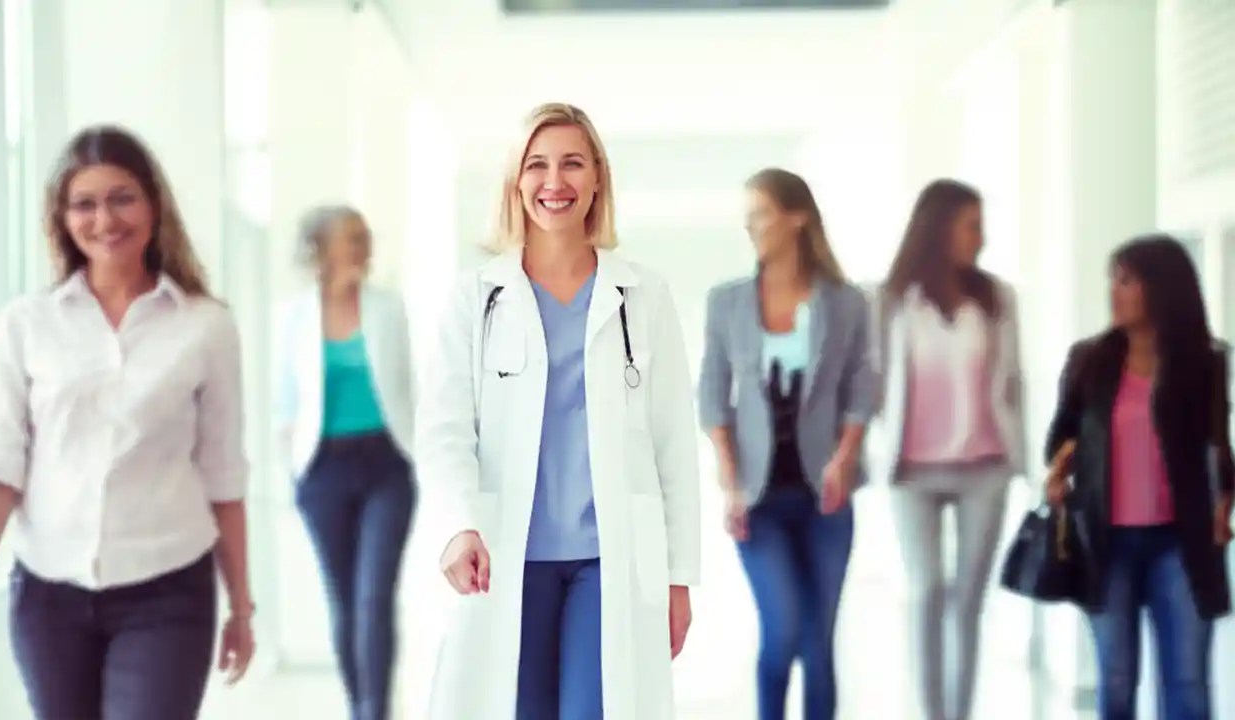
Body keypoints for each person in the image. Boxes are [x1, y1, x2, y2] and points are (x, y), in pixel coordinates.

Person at [0, 126, 255, 719]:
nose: (105, 220)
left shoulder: (205, 326)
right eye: (84, 204)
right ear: (62, 218)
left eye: (122, 198)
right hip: (48, 595)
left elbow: (224, 475)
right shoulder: (26, 325)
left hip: (168, 591)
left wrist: (241, 608)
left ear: (154, 205)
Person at [417, 102, 701, 720]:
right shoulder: (476, 297)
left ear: (597, 177)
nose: (554, 182)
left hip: (610, 561)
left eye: (572, 163)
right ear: (516, 182)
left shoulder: (643, 296)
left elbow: (674, 444)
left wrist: (678, 577)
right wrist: (459, 523)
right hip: (506, 556)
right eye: (536, 165)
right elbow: (444, 431)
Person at [697, 167, 877, 720]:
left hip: (827, 500)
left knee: (819, 647)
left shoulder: (845, 303)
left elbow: (862, 386)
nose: (750, 226)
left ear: (797, 218)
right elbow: (712, 396)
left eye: (761, 214)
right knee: (783, 630)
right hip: (758, 501)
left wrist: (845, 457)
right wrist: (730, 483)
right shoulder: (727, 303)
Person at [1044, 234, 1233, 720]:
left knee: (1188, 683)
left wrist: (1224, 503)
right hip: (1107, 543)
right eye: (1113, 280)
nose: (1114, 291)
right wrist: (1059, 472)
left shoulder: (1206, 362)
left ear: (1161, 287)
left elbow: (1217, 444)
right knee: (1116, 680)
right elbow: (1060, 438)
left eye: (1127, 281)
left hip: (1182, 542)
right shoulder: (1088, 361)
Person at [870, 179, 1026, 720]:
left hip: (985, 466)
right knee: (927, 591)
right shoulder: (892, 300)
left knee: (968, 601)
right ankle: (932, 713)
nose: (981, 238)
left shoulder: (997, 298)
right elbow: (874, 381)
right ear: (939, 229)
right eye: (972, 226)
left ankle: (959, 714)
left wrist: (1024, 458)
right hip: (912, 470)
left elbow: (1014, 383)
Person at [273, 205, 416, 720]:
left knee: (375, 597)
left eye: (364, 236)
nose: (362, 246)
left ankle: (375, 712)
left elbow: (406, 389)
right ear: (322, 248)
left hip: (385, 465)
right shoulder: (293, 317)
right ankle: (360, 707)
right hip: (323, 471)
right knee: (345, 601)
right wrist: (293, 473)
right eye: (351, 237)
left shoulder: (387, 308)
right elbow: (286, 405)